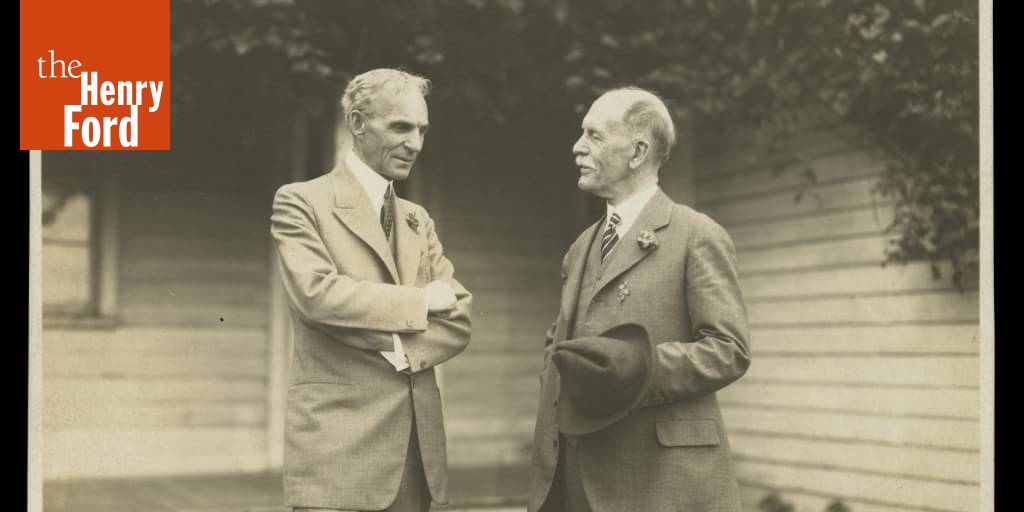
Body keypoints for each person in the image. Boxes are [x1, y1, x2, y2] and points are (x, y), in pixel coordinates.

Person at [528, 87, 752, 512]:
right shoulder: (581, 247)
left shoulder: (696, 235)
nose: (577, 147)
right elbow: (557, 349)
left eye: (593, 136)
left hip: (659, 481)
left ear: (637, 152)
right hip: (573, 478)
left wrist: (640, 367)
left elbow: (730, 350)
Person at [270, 68, 473, 512]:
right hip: (338, 453)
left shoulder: (417, 218)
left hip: (414, 458)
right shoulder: (302, 201)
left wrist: (396, 345)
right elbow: (316, 295)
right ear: (358, 123)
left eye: (421, 130)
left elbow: (458, 316)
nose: (415, 143)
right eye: (400, 127)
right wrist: (420, 302)